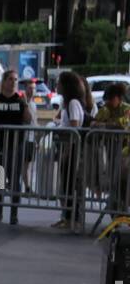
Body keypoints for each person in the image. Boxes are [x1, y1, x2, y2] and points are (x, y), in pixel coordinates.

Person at [0, 68, 33, 224]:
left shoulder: (19, 100)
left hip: (15, 145)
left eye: (15, 80)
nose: (13, 82)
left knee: (14, 180)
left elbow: (28, 120)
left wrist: (25, 104)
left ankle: (14, 214)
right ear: (4, 81)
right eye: (10, 79)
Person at [52, 70, 86, 230]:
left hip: (71, 149)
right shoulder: (70, 103)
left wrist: (67, 148)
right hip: (68, 148)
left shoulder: (73, 103)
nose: (57, 85)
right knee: (66, 184)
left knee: (69, 184)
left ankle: (71, 217)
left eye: (59, 83)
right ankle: (66, 217)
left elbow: (74, 125)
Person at [92, 81, 130, 214]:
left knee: (121, 177)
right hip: (110, 146)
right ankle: (116, 205)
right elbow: (95, 122)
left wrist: (105, 125)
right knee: (113, 176)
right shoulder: (106, 109)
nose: (108, 101)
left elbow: (124, 123)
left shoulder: (126, 108)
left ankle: (121, 205)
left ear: (118, 98)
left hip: (125, 148)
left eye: (111, 98)